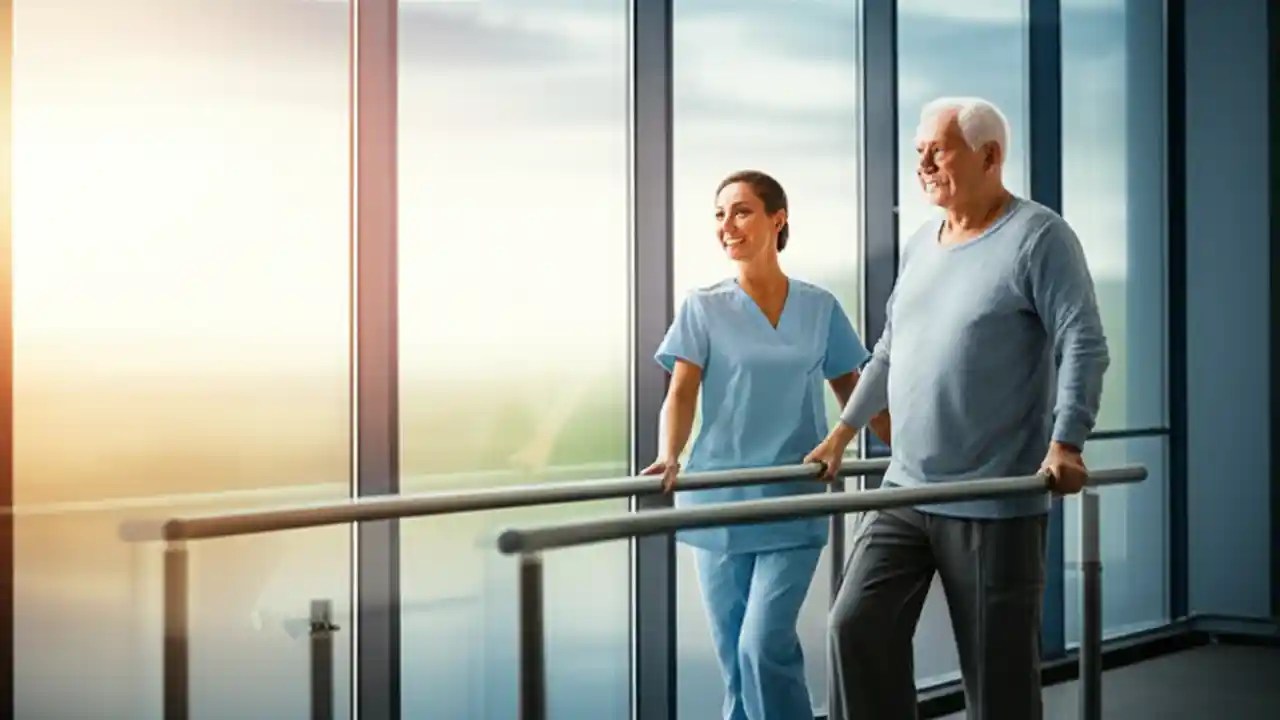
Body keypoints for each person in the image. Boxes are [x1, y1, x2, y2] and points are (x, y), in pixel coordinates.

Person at [805, 97, 1109, 719]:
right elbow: (890, 350)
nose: (923, 163)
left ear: (990, 156)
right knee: (854, 625)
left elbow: (1084, 339)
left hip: (991, 499)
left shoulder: (1039, 238)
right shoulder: (922, 243)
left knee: (996, 681)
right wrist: (842, 432)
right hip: (904, 491)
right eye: (918, 151)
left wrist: (1067, 441)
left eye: (937, 150)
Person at [643, 169, 889, 720]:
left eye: (741, 211)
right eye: (719, 214)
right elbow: (681, 391)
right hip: (718, 501)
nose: (727, 225)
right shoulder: (702, 307)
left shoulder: (819, 307)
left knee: (763, 643)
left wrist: (914, 451)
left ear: (778, 219)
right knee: (737, 661)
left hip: (792, 500)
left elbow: (856, 390)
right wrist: (669, 454)